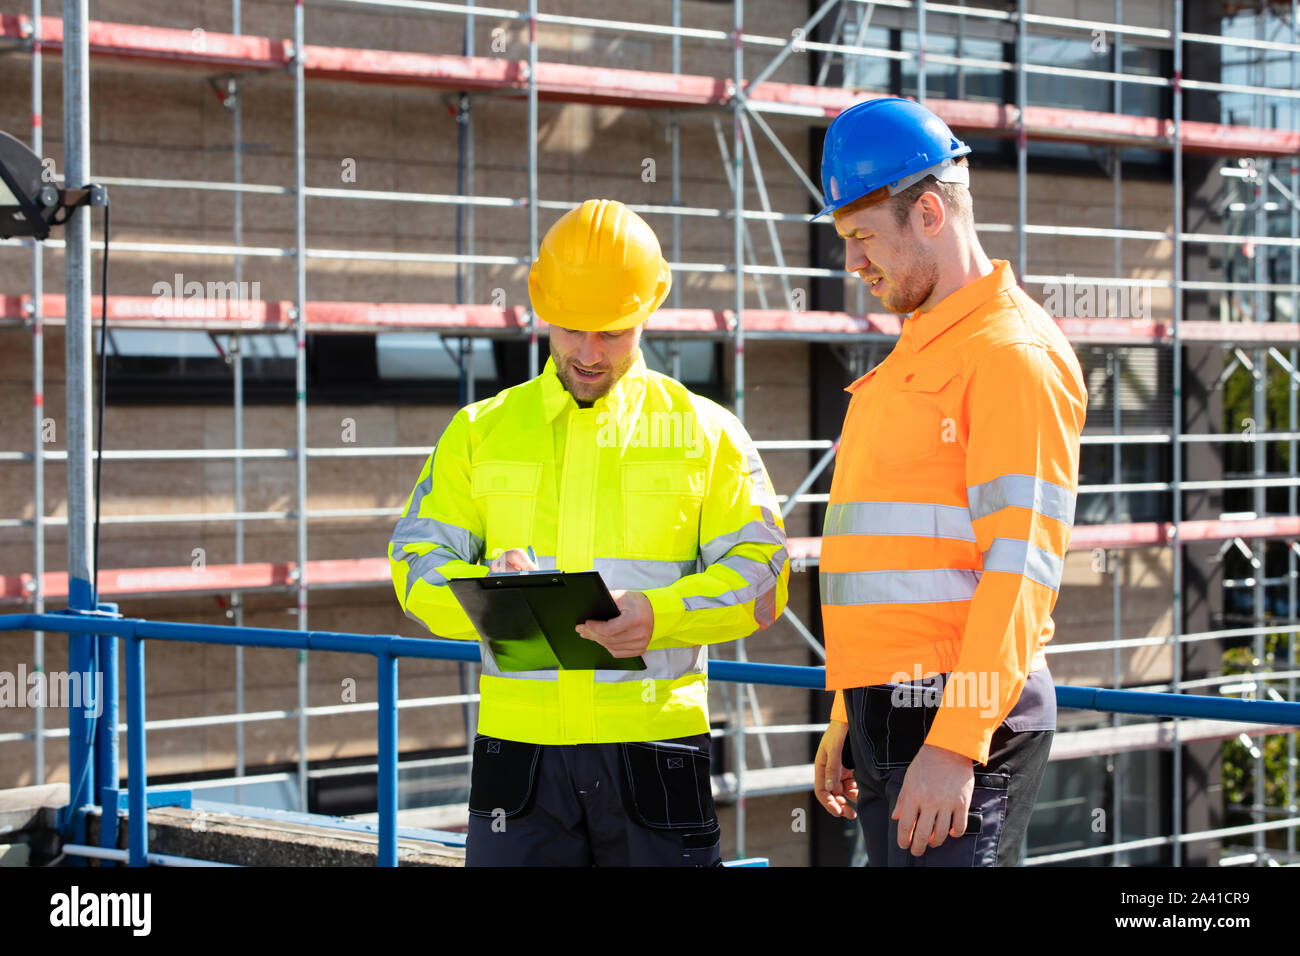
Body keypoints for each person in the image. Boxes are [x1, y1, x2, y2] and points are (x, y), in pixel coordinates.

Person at [389, 198, 790, 866]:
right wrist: (487, 595)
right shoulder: (479, 430)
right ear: (543, 309)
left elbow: (765, 578)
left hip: (654, 750)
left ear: (647, 314)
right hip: (518, 757)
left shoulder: (707, 432)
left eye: (613, 331)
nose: (590, 351)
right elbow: (414, 560)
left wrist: (660, 615)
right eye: (573, 328)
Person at [809, 98, 1088, 866]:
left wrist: (958, 744)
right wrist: (847, 713)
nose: (853, 263)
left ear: (928, 212)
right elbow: (892, 562)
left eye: (863, 238)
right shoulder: (919, 352)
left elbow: (1022, 567)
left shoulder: (1010, 355)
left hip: (960, 723)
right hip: (890, 718)